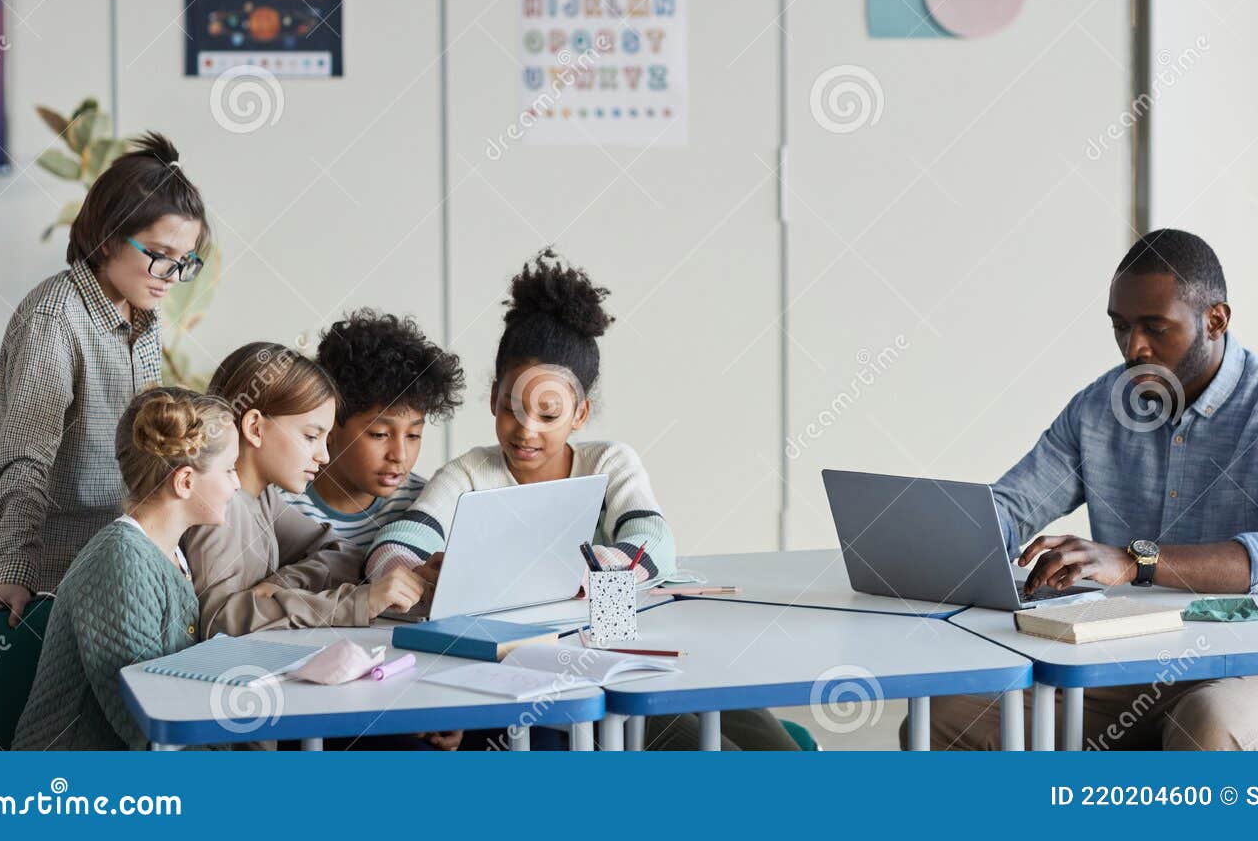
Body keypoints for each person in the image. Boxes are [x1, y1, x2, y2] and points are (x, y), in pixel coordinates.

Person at [913, 228, 1258, 751]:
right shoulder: (1099, 408)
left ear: (1215, 320)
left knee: (1208, 723)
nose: (1134, 348)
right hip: (1137, 659)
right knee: (948, 719)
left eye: (1155, 327)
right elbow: (1013, 505)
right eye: (1121, 327)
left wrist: (1136, 561)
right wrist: (939, 538)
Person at [369, 249, 798, 751]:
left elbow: (654, 541)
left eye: (549, 415)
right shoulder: (469, 474)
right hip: (554, 673)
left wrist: (572, 571)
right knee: (717, 754)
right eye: (511, 409)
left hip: (628, 647)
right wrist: (412, 574)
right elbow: (395, 543)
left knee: (775, 745)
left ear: (580, 413)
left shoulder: (608, 462)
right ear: (492, 398)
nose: (526, 430)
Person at [0, 133, 210, 626]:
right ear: (109, 237)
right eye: (159, 253)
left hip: (109, 570)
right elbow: (24, 459)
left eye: (185, 261)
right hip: (38, 589)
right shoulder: (54, 320)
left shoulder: (143, 315)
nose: (171, 275)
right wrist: (14, 570)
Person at [13, 388, 239, 750]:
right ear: (185, 482)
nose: (237, 483)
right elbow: (147, 725)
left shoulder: (169, 551)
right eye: (230, 469)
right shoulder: (122, 561)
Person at [184, 342, 427, 637]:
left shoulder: (263, 498)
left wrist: (282, 584)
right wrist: (356, 603)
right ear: (255, 428)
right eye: (311, 436)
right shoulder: (219, 508)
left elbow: (343, 552)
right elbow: (218, 620)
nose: (323, 456)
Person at [276, 309, 465, 552]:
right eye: (380, 434)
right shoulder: (279, 505)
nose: (399, 455)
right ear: (329, 426)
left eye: (413, 435)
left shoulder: (424, 506)